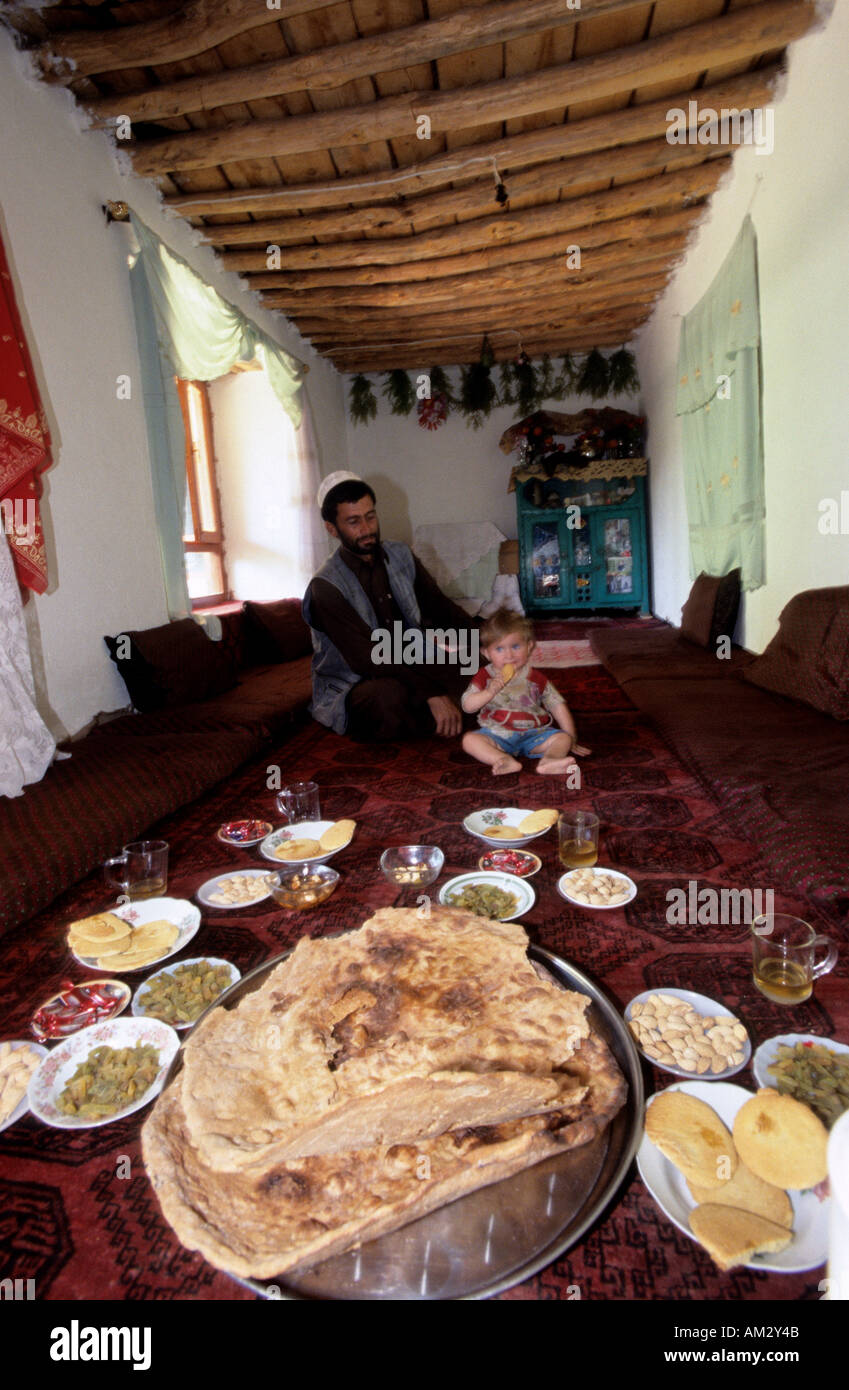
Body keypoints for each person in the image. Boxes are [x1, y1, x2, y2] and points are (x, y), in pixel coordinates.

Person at [302, 472, 478, 742]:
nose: (367, 529)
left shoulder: (400, 555)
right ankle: (442, 715)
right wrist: (430, 691)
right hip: (359, 679)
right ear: (331, 528)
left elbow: (440, 608)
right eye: (353, 521)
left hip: (411, 659)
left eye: (370, 516)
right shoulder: (325, 587)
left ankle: (438, 717)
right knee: (388, 698)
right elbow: (367, 658)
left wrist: (486, 638)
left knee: (480, 667)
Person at [461, 607, 585, 775]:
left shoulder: (537, 678)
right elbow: (468, 706)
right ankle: (502, 759)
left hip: (534, 735)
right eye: (499, 649)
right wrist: (488, 692)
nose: (509, 655)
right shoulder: (484, 676)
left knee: (562, 738)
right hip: (496, 734)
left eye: (516, 646)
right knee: (470, 740)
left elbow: (557, 706)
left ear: (529, 646)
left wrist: (572, 738)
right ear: (486, 653)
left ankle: (550, 761)